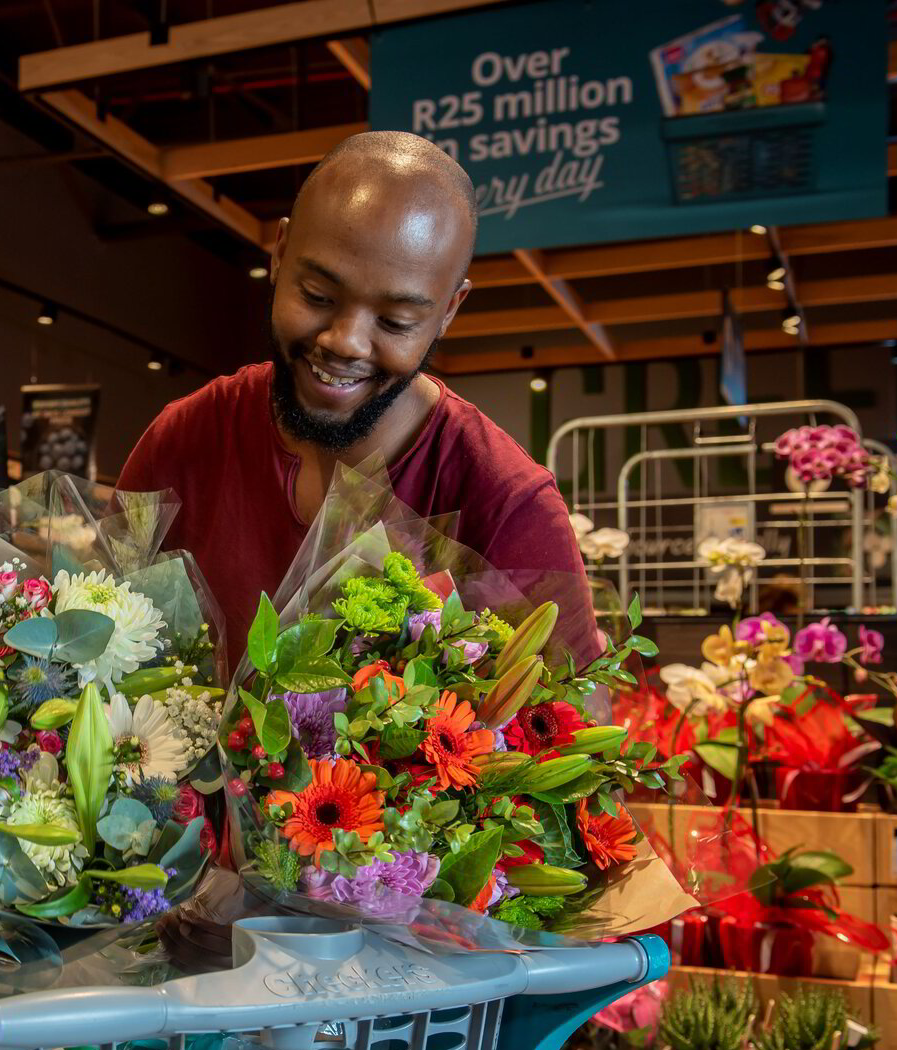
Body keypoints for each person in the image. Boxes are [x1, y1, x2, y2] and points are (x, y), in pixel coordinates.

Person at [116, 130, 598, 669]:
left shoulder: (506, 504)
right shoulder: (186, 439)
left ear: (449, 311)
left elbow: (566, 725)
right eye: (317, 296)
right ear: (280, 254)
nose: (344, 341)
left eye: (395, 321)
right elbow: (99, 634)